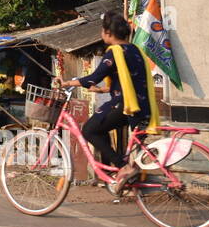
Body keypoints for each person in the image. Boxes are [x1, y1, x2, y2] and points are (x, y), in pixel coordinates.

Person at [58, 10, 155, 196]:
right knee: (100, 128)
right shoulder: (136, 50)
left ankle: (122, 167)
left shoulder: (114, 52)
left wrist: (69, 82)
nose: (101, 35)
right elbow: (130, 81)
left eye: (102, 31)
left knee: (89, 130)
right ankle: (114, 173)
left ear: (108, 33)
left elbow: (94, 77)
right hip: (142, 105)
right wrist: (103, 90)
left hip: (125, 105)